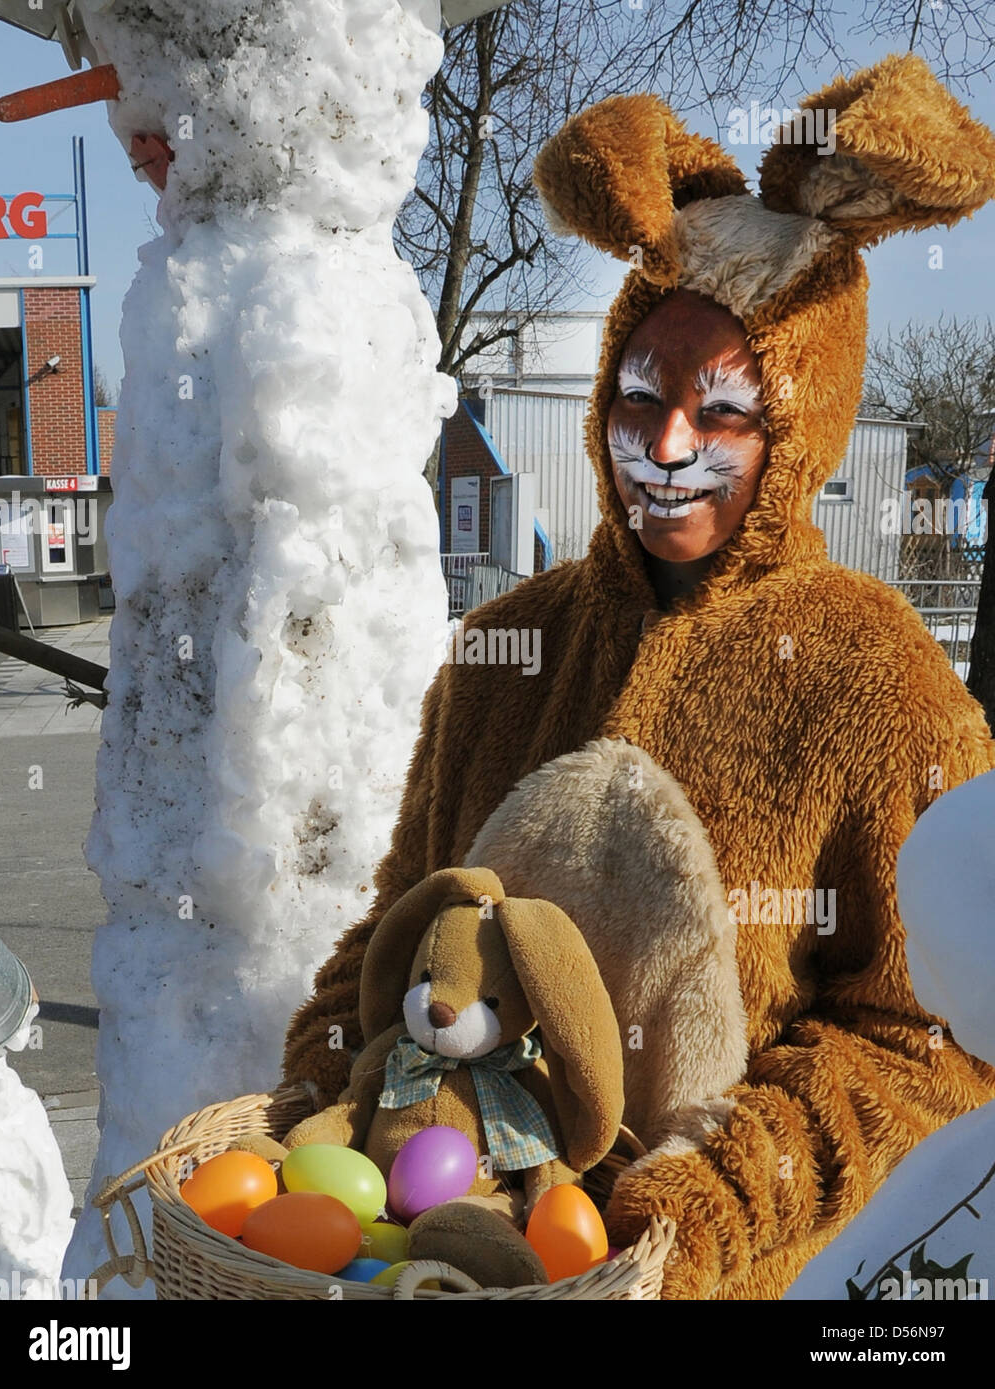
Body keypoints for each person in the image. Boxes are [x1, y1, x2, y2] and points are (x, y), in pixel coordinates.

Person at [283, 54, 995, 1298]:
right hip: (440, 1243)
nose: (665, 448)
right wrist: (317, 1092)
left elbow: (929, 1042)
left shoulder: (880, 682)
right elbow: (402, 926)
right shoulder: (504, 654)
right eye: (636, 394)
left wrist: (713, 1194)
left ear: (802, 416)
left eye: (721, 412)